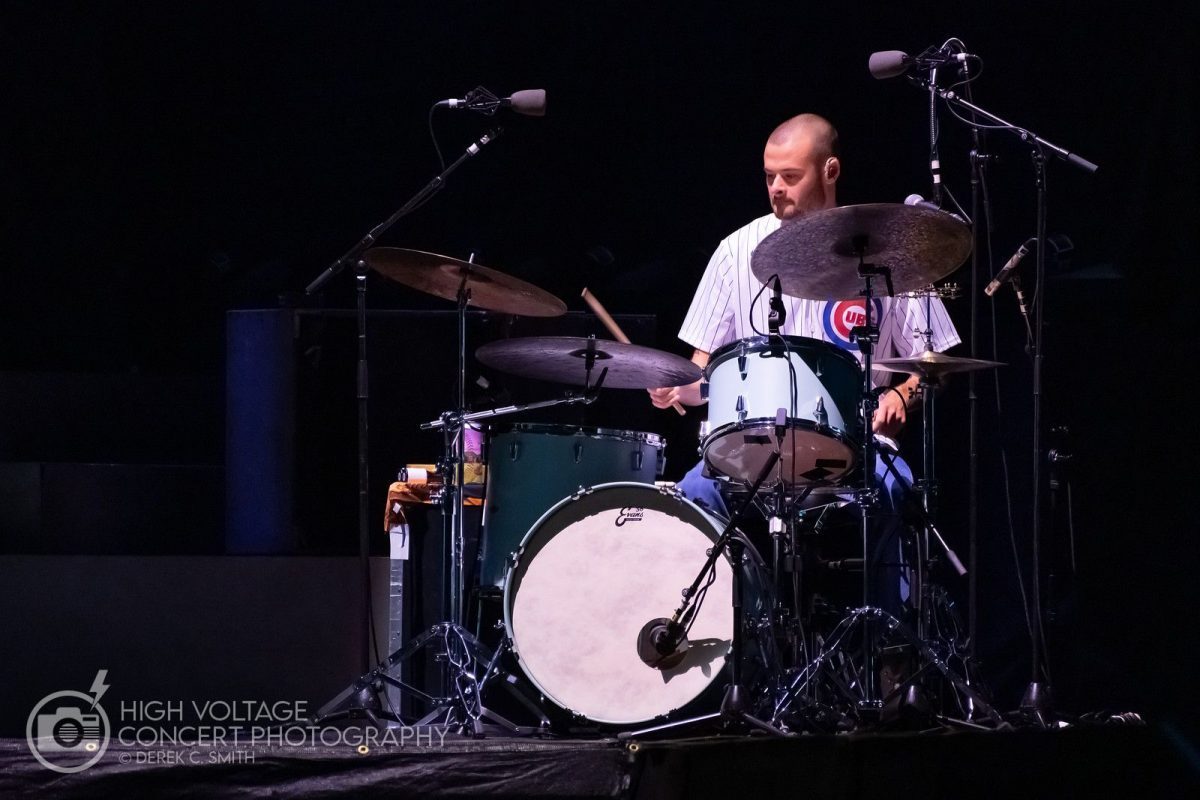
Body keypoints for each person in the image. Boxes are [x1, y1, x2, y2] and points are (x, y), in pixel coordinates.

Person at [649, 113, 961, 612]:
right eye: (769, 176)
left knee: (894, 493)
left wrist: (903, 394)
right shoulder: (736, 250)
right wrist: (673, 386)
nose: (776, 188)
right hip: (754, 449)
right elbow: (704, 372)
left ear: (830, 171)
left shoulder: (888, 248)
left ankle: (886, 645)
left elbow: (933, 360)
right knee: (691, 497)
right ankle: (738, 636)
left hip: (856, 446)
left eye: (790, 177)